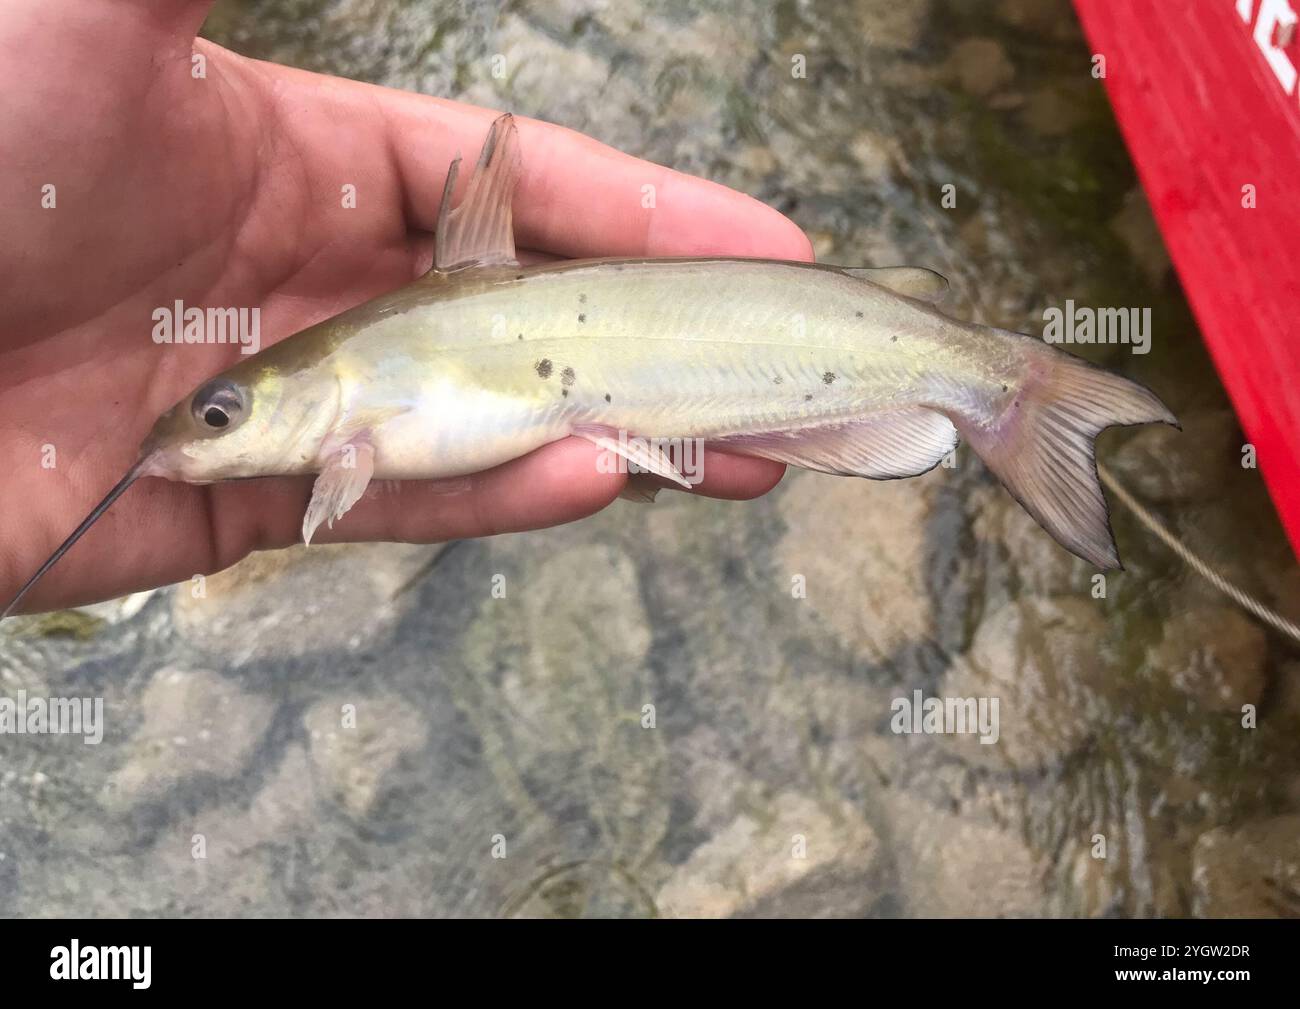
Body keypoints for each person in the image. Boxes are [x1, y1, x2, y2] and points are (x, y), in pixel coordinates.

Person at [0, 0, 811, 614]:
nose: (204, 435)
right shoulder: (334, 430)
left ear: (307, 383)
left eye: (221, 415)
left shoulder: (349, 427)